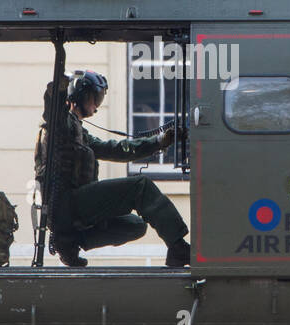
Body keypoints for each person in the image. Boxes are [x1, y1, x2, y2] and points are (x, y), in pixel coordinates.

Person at [35, 70, 190, 268]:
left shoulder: (79, 133)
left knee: (135, 225)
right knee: (141, 187)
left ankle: (72, 242)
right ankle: (178, 247)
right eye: (95, 98)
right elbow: (53, 111)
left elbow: (118, 150)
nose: (96, 106)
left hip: (73, 208)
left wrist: (159, 141)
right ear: (81, 95)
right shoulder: (61, 124)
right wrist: (57, 90)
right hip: (66, 204)